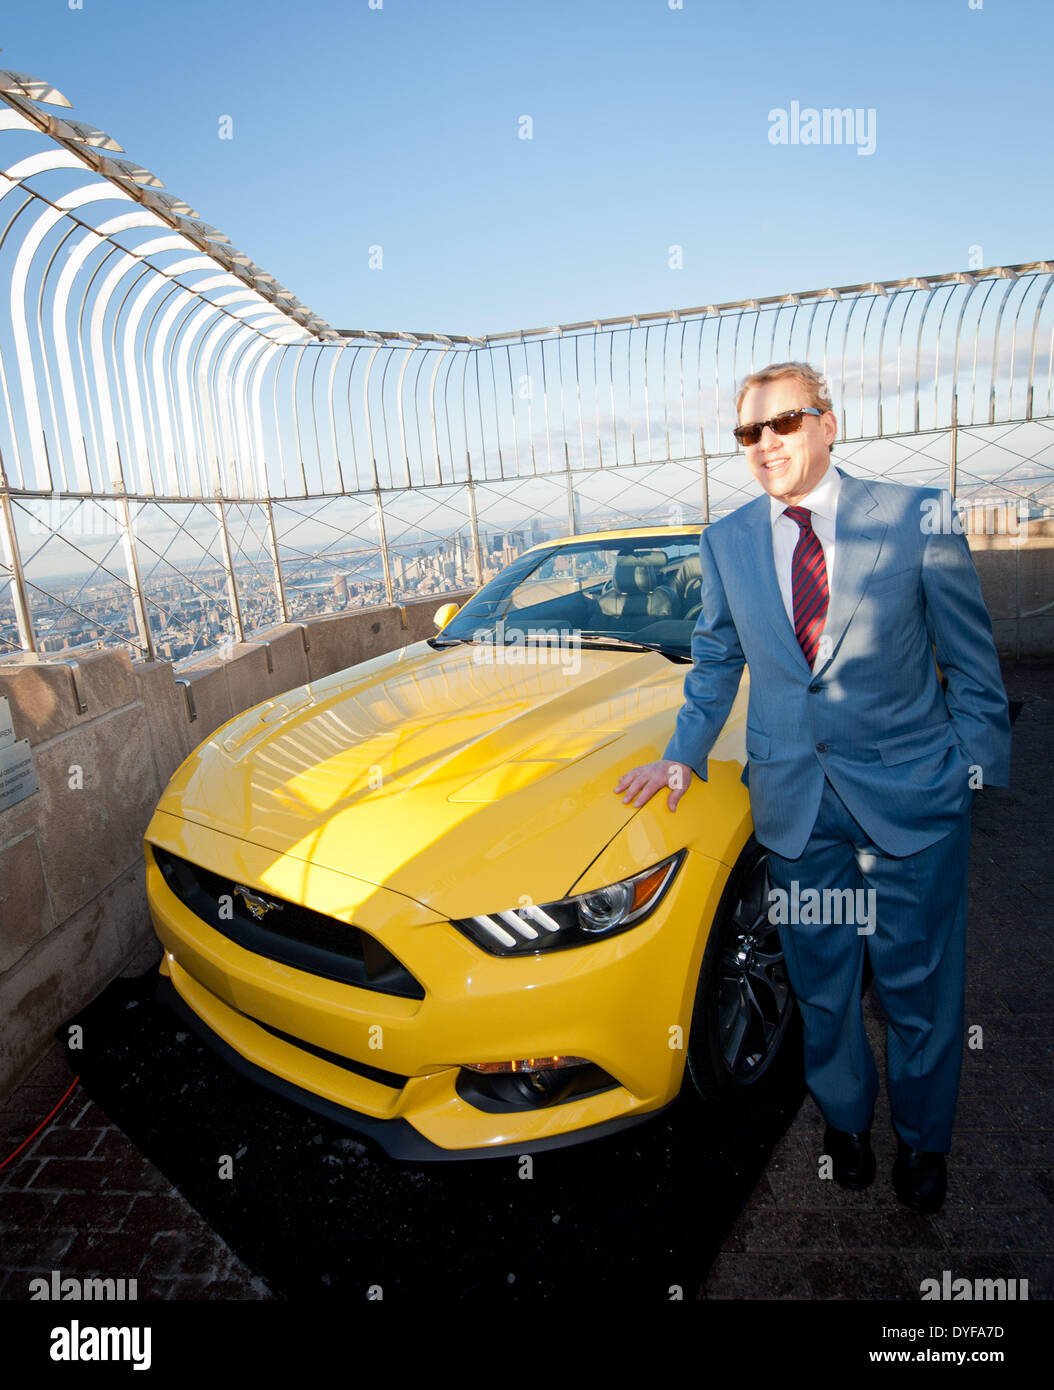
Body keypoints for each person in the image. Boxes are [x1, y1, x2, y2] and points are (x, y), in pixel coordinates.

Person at [614, 361, 1011, 1213]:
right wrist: (683, 753)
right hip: (798, 813)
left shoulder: (915, 517)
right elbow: (718, 656)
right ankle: (843, 1123)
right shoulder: (726, 541)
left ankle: (924, 1143)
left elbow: (974, 666)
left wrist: (968, 775)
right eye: (748, 433)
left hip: (914, 810)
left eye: (783, 423)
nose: (765, 445)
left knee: (919, 995)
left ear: (828, 423)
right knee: (823, 987)